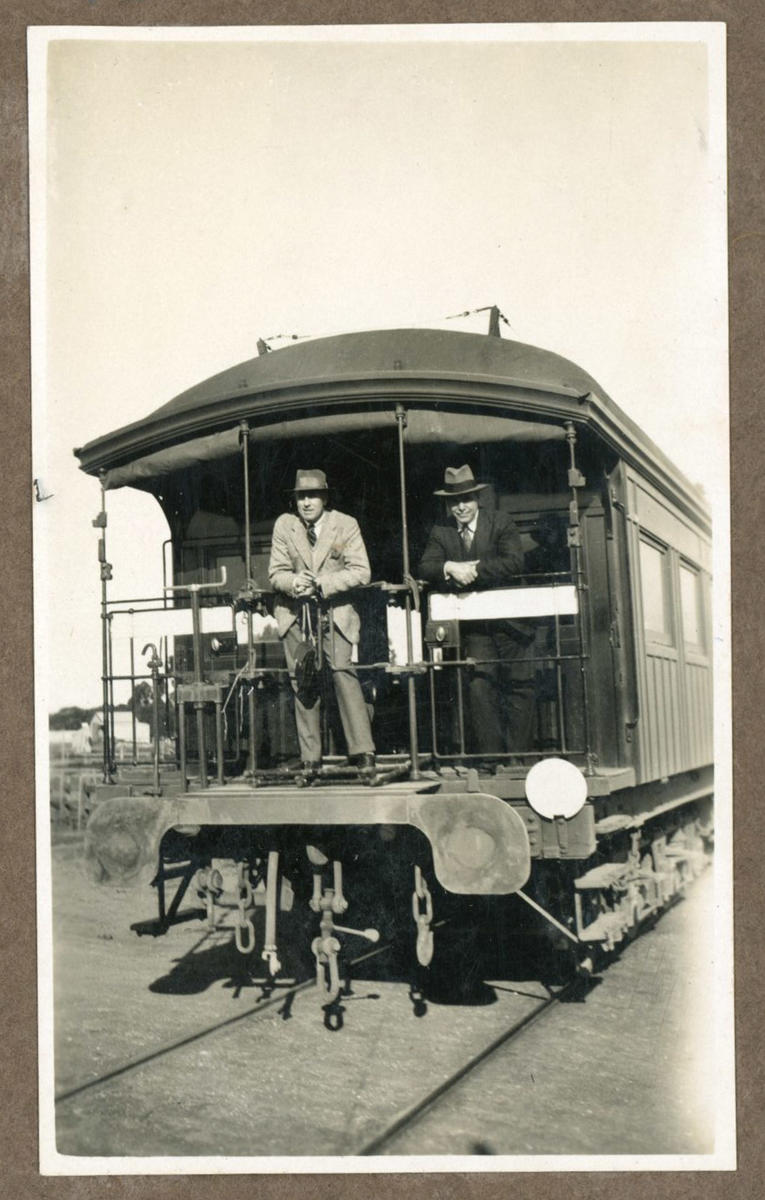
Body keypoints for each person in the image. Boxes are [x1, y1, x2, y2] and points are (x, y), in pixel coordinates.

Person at [418, 464, 536, 762]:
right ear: (447, 504)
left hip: (512, 625)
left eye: (466, 500)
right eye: (454, 501)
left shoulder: (501, 522)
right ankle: (492, 760)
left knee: (519, 688)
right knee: (480, 689)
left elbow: (514, 563)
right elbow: (426, 567)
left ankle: (518, 759)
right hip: (476, 629)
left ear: (477, 500)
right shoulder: (441, 531)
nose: (460, 507)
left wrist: (474, 570)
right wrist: (449, 567)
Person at [268, 469, 376, 782]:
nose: (306, 502)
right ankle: (310, 760)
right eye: (301, 496)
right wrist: (293, 582)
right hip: (296, 615)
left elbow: (361, 572)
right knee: (303, 682)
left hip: (335, 612)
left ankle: (363, 753)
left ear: (325, 497)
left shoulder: (346, 524)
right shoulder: (284, 526)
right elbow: (276, 574)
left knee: (343, 674)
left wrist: (321, 584)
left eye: (312, 495)